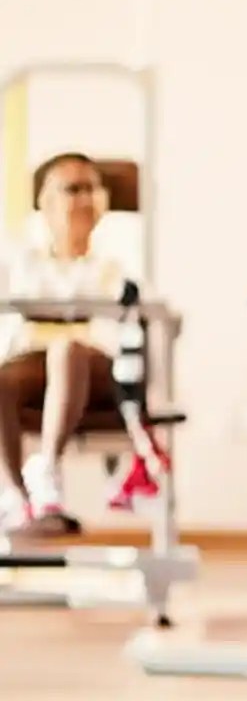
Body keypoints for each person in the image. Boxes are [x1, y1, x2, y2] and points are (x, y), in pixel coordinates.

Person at [0, 152, 126, 537]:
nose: (84, 200)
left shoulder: (117, 260)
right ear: (46, 202)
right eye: (73, 189)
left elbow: (124, 329)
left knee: (67, 350)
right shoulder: (21, 263)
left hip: (99, 372)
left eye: (92, 189)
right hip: (33, 371)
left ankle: (46, 468)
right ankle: (17, 496)